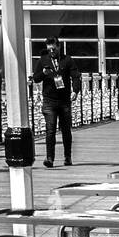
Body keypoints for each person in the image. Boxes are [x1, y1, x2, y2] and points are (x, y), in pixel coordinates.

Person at [33, 34, 81, 167]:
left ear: (59, 47)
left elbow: (76, 76)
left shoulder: (67, 60)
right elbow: (36, 78)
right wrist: (43, 73)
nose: (52, 51)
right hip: (49, 100)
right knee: (50, 130)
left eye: (54, 49)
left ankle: (67, 157)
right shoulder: (43, 60)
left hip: (64, 100)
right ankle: (49, 158)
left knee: (66, 130)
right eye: (49, 49)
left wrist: (75, 91)